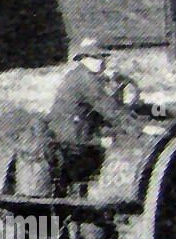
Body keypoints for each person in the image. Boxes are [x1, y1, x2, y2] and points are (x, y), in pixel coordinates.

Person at [41, 37, 131, 194]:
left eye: (102, 57)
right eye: (94, 57)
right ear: (83, 59)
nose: (100, 62)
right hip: (73, 137)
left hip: (64, 130)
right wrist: (139, 127)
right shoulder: (86, 80)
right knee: (115, 144)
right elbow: (109, 109)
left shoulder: (77, 75)